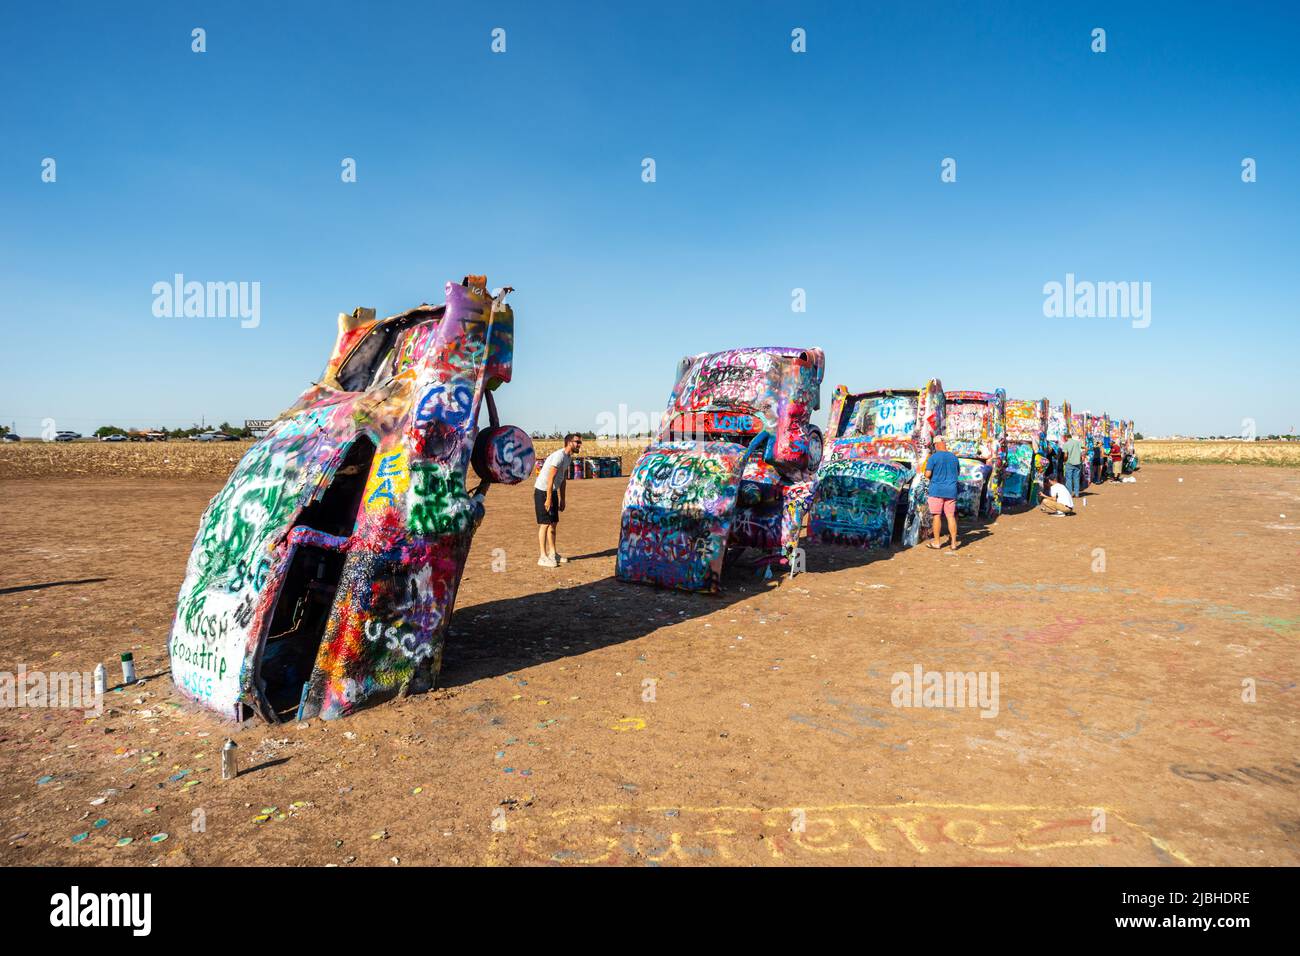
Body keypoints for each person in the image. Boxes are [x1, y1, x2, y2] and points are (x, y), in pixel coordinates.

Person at [535, 433, 582, 568]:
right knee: (545, 523)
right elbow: (550, 478)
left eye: (580, 442)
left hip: (553, 491)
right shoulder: (559, 456)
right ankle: (542, 557)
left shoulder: (568, 458)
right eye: (577, 442)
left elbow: (562, 480)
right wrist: (548, 498)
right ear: (569, 443)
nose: (579, 445)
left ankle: (552, 553)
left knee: (553, 523)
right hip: (542, 491)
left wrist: (563, 499)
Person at [924, 437, 961, 552]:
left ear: (936, 445)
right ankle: (954, 543)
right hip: (951, 490)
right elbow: (957, 473)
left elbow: (928, 474)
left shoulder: (933, 457)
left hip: (936, 490)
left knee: (937, 516)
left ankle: (937, 542)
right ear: (944, 444)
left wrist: (926, 472)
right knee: (950, 516)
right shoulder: (954, 458)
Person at [1062, 431, 1083, 497]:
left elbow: (1065, 455)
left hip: (1069, 463)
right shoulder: (1077, 442)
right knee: (1076, 478)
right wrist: (1082, 457)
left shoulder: (1066, 444)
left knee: (1069, 479)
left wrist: (1064, 461)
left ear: (1066, 437)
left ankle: (1070, 494)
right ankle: (1077, 493)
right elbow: (1085, 448)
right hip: (1078, 463)